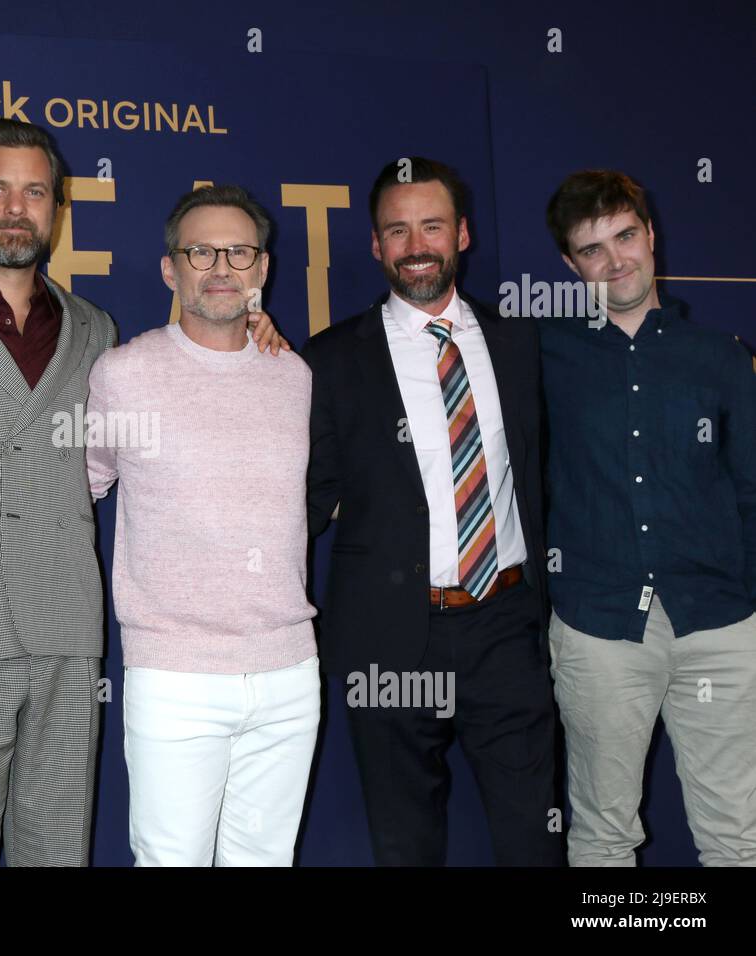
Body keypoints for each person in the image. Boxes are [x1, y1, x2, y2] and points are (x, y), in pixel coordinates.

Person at [0, 118, 286, 866]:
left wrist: (261, 331)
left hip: (67, 626)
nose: (16, 207)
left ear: (57, 211)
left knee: (56, 850)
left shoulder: (94, 331)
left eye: (35, 191)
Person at [301, 157, 561, 865]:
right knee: (405, 845)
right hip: (387, 639)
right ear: (377, 245)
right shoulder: (325, 362)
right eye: (398, 229)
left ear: (463, 234)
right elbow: (301, 502)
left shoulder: (523, 342)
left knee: (533, 842)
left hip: (505, 629)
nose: (417, 244)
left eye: (433, 225)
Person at [86, 185, 319, 866]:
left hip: (288, 672)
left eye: (238, 251)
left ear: (263, 268)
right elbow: (79, 488)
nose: (221, 267)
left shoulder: (294, 375)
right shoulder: (123, 374)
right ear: (171, 269)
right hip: (174, 675)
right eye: (200, 251)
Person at [541, 169, 756, 866]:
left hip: (721, 626)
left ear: (651, 233)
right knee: (604, 836)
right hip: (600, 630)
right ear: (571, 265)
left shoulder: (721, 360)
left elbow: (752, 486)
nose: (616, 260)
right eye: (592, 249)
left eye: (625, 236)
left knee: (736, 835)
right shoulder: (543, 356)